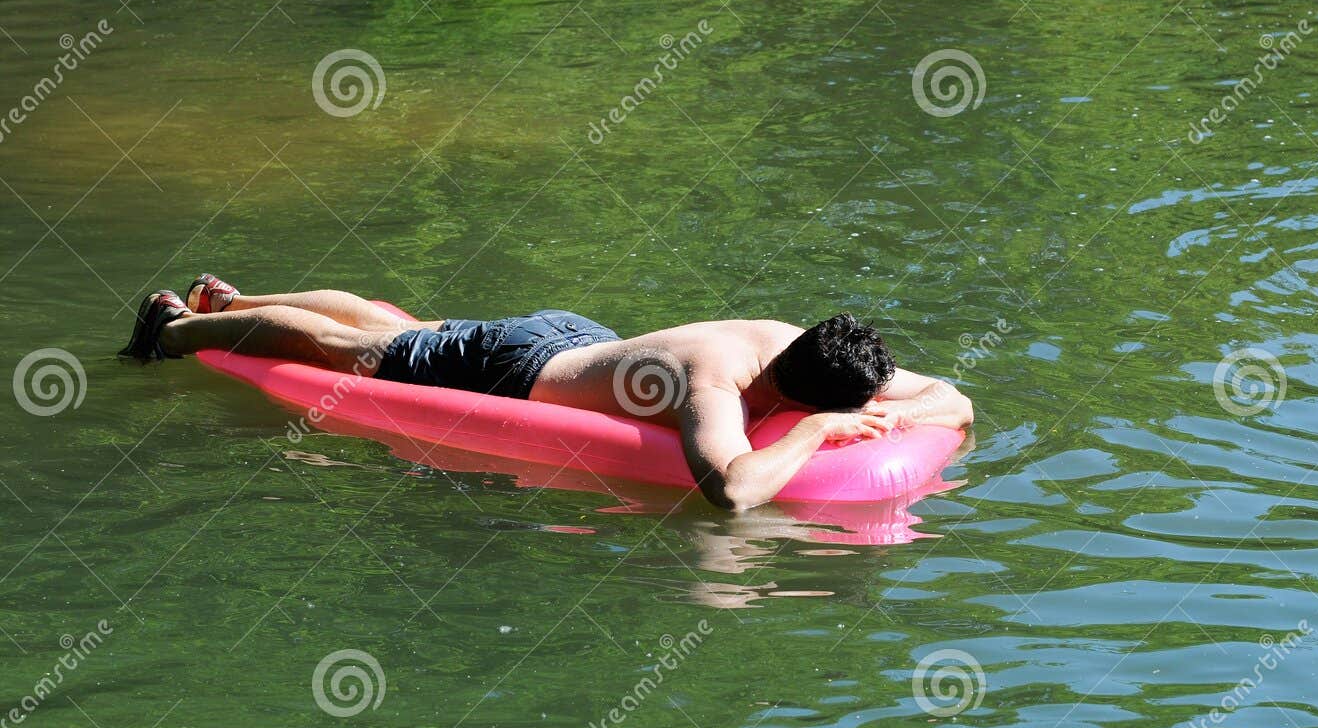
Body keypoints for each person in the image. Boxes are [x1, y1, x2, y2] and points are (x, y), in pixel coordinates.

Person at [121, 276, 973, 510]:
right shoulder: (714, 385)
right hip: (519, 367)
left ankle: (236, 300)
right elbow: (733, 494)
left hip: (580, 341)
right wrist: (822, 429)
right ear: (806, 388)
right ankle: (178, 329)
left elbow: (957, 401)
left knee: (394, 328)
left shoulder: (814, 344)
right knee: (358, 348)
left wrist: (898, 409)